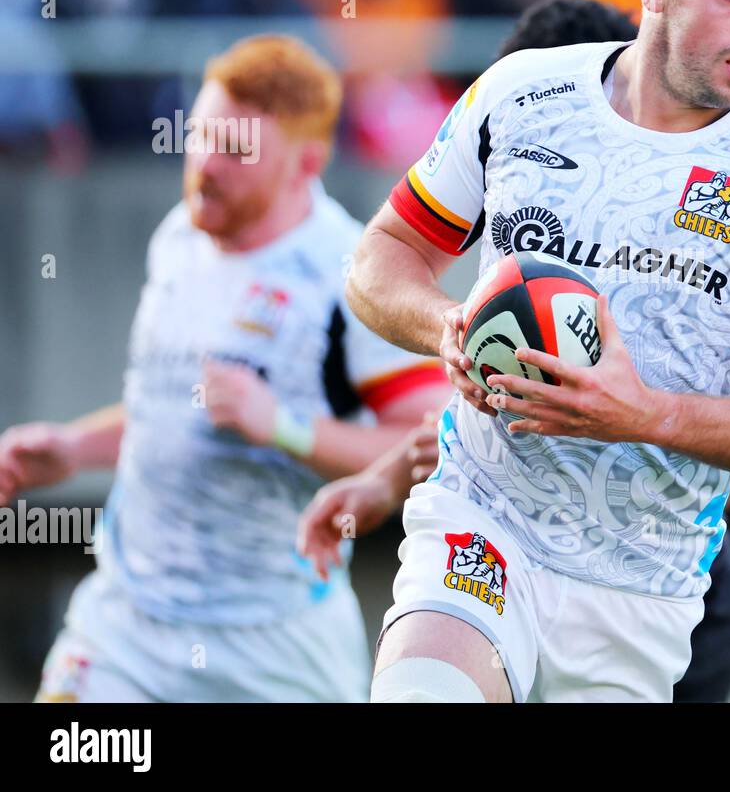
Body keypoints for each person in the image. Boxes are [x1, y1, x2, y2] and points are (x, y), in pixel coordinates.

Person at [347, 0, 730, 703]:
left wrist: (643, 415)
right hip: (485, 523)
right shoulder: (522, 95)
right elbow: (382, 256)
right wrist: (449, 324)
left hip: (642, 587)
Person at [298, 0, 730, 703]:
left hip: (665, 593)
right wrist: (387, 477)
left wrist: (628, 419)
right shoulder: (522, 225)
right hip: (507, 553)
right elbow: (488, 401)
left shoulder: (692, 250)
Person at [0, 34, 451, 702]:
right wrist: (74, 448)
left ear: (307, 162)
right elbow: (169, 409)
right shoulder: (179, 237)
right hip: (126, 627)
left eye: (235, 148)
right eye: (200, 136)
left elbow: (425, 448)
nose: (205, 164)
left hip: (272, 645)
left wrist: (285, 429)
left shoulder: (352, 276)